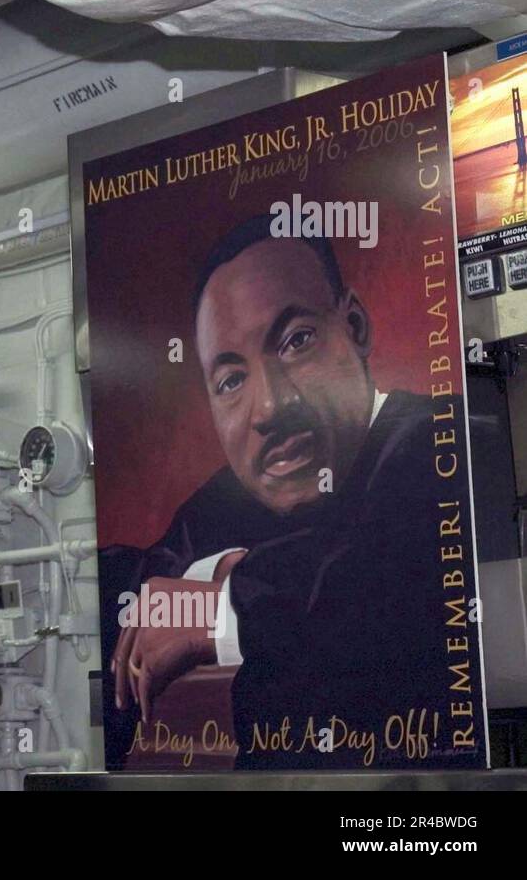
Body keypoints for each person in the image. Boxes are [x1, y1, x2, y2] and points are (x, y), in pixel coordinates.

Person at [106, 214, 480, 769]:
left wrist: (221, 605)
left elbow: (385, 570)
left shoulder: (444, 444)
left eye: (295, 341)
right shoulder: (227, 500)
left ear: (354, 327)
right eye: (231, 381)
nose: (270, 407)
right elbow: (135, 589)